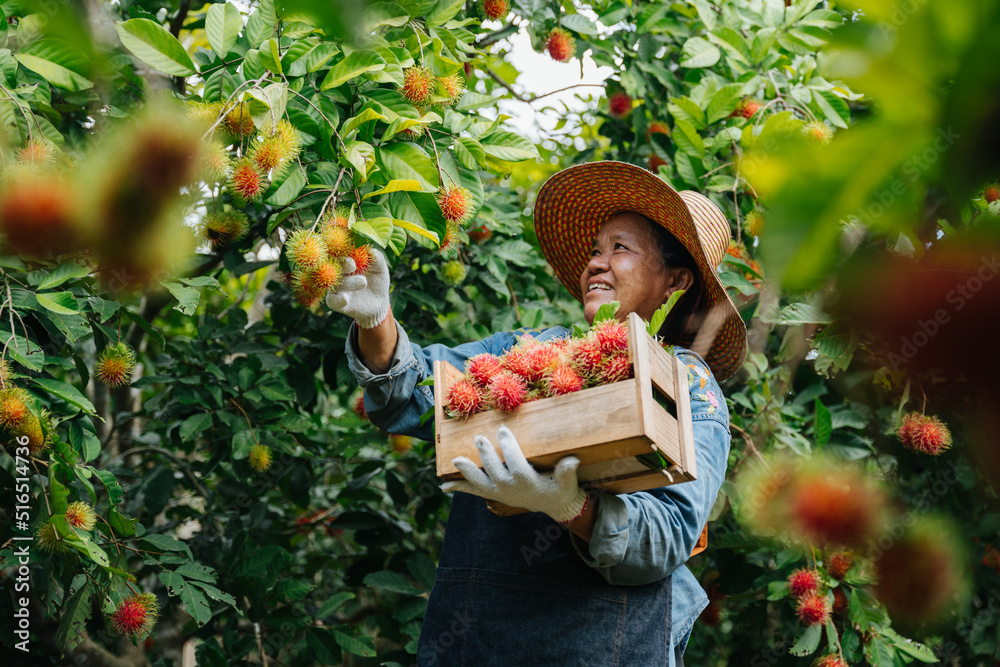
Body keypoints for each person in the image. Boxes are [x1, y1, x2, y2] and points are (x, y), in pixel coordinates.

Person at [328, 161, 747, 666]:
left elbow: (664, 537)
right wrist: (377, 319)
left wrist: (569, 506)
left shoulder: (687, 385)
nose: (597, 262)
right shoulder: (525, 351)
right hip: (475, 644)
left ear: (675, 281)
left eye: (620, 248)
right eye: (595, 249)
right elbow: (416, 392)